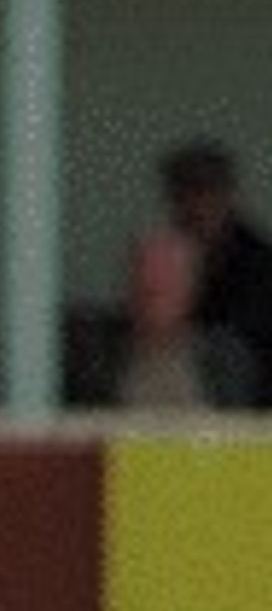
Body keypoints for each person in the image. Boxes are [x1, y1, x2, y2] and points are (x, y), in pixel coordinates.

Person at [158, 136, 272, 405]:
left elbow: (246, 331)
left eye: (202, 192)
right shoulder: (167, 255)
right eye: (181, 195)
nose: (192, 206)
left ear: (226, 196)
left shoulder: (259, 259)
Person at [115, 225, 259, 410]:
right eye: (145, 279)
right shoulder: (98, 361)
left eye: (167, 282)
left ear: (192, 290)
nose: (153, 286)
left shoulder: (226, 361)